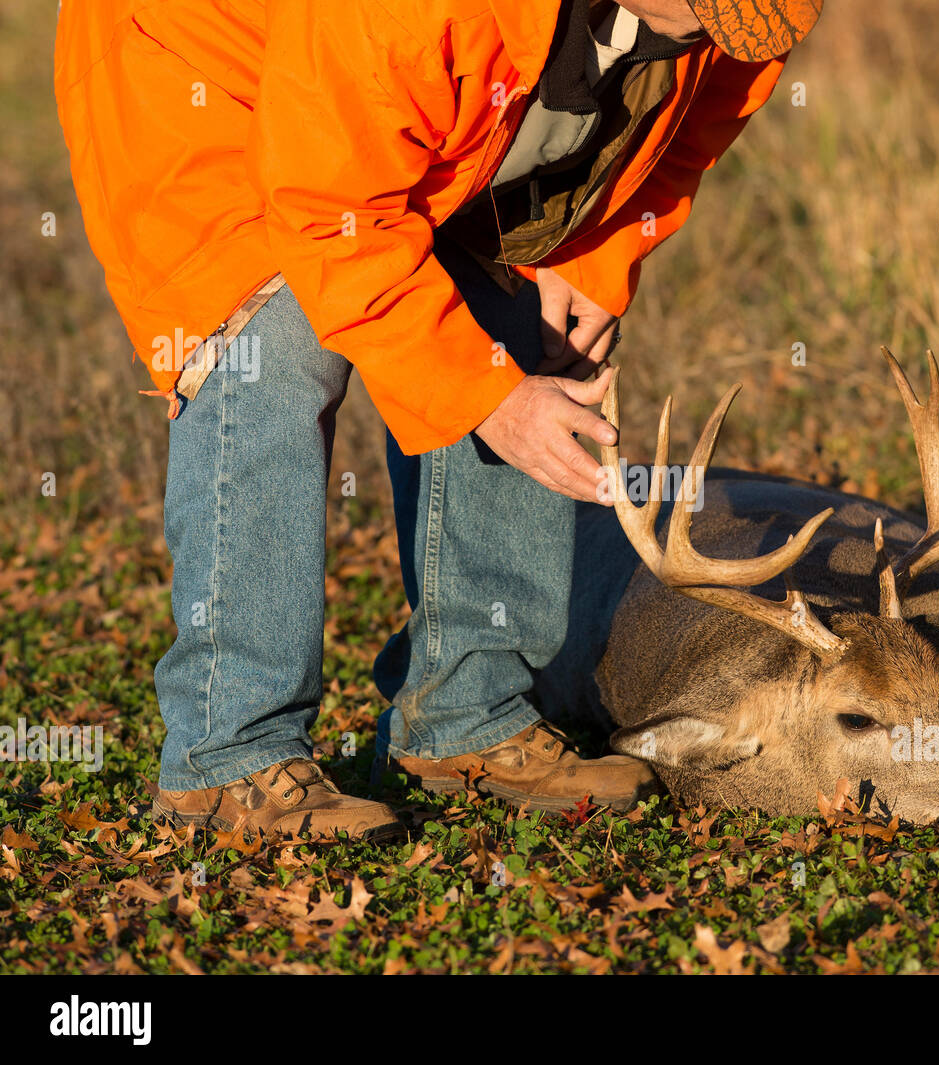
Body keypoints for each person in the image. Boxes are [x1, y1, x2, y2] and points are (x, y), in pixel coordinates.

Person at [53, 0, 824, 843]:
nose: (713, 30)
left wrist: (595, 258)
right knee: (273, 351)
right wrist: (487, 399)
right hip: (202, 69)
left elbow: (694, 126)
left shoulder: (747, 17)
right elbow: (327, 210)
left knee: (517, 307)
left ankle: (466, 720)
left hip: (407, 110)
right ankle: (227, 755)